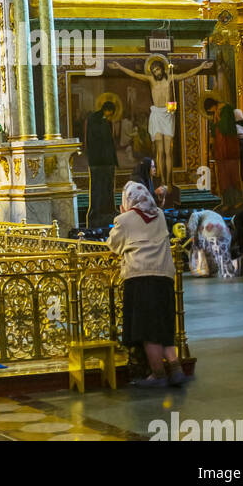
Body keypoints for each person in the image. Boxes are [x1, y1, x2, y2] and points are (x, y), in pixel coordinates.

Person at [108, 181, 186, 388]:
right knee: (163, 325)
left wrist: (124, 213)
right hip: (165, 277)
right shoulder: (159, 215)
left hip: (140, 277)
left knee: (148, 330)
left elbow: (113, 245)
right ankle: (176, 369)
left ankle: (158, 374)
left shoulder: (124, 220)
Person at [112, 57, 208, 184]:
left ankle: (169, 181)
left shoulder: (170, 78)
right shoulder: (151, 80)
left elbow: (187, 74)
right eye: (154, 71)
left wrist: (201, 66)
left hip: (167, 114)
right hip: (157, 115)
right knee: (160, 150)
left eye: (157, 70)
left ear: (162, 69)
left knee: (168, 151)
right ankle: (162, 180)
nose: (156, 73)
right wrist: (119, 67)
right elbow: (134, 74)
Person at [204, 96, 243, 208]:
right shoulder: (217, 114)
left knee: (233, 175)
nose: (213, 114)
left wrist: (217, 121)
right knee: (223, 178)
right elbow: (215, 131)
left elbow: (225, 128)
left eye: (212, 111)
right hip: (220, 152)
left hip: (229, 150)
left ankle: (238, 200)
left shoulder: (226, 110)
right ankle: (227, 202)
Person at [84, 99, 117, 228]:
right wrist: (105, 122)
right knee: (98, 187)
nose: (111, 116)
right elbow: (99, 138)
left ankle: (109, 209)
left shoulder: (103, 120)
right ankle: (98, 211)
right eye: (111, 113)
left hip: (107, 161)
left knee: (108, 186)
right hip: (98, 161)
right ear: (108, 110)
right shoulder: (95, 119)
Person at [187, 209, 238, 279]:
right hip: (224, 231)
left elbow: (193, 218)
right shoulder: (212, 214)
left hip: (210, 228)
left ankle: (206, 271)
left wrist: (192, 235)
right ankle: (227, 272)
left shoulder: (196, 214)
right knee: (222, 254)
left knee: (205, 250)